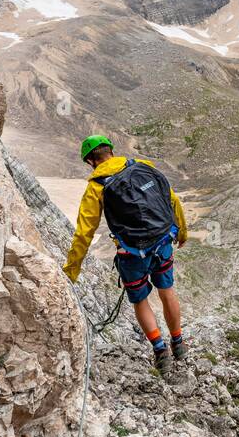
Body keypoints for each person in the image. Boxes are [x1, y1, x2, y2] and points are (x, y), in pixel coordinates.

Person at [63, 135, 188, 373]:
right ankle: (179, 343)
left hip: (131, 253)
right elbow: (171, 199)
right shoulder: (144, 167)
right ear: (111, 151)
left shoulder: (96, 186)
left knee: (140, 300)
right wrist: (181, 231)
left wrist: (72, 270)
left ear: (91, 161)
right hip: (162, 243)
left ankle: (161, 352)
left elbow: (83, 233)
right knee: (167, 291)